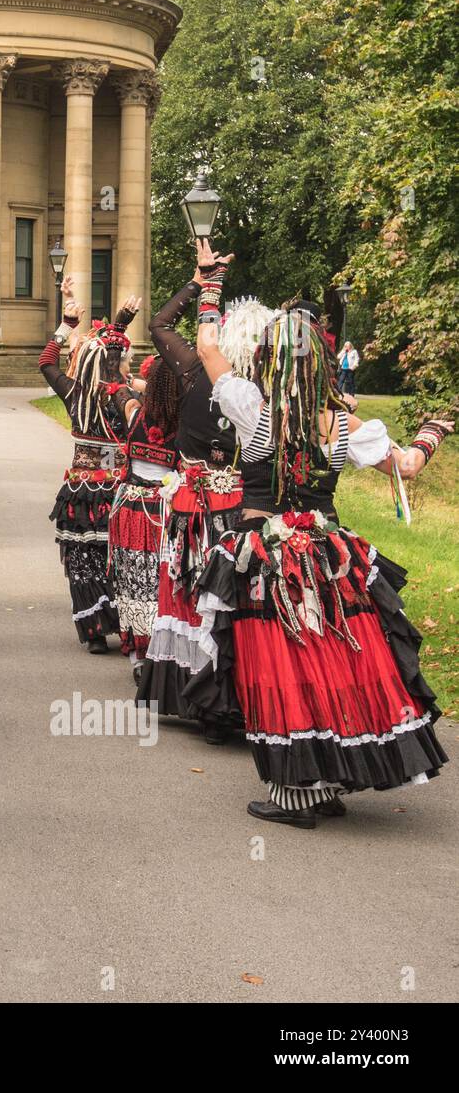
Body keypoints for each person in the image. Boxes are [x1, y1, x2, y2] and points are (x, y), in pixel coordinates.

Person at [193, 245, 451, 827]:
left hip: (269, 554)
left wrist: (210, 283)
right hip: (331, 554)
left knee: (282, 663)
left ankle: (297, 792)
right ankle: (332, 774)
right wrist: (435, 431)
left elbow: (208, 347)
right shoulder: (342, 421)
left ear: (268, 356)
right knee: (338, 655)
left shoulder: (249, 407)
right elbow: (407, 465)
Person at [136, 243, 276, 743]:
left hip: (192, 506)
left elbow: (158, 325)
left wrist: (203, 281)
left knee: (187, 593)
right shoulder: (261, 396)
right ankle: (226, 703)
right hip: (237, 509)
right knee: (225, 599)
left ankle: (191, 696)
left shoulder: (195, 370)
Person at [37, 280, 141, 653]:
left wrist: (66, 323)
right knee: (117, 555)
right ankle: (126, 623)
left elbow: (46, 361)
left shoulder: (73, 393)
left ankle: (95, 630)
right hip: (116, 486)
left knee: (84, 558)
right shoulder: (122, 396)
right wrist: (121, 324)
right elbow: (112, 367)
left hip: (81, 488)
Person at [108, 355, 177, 681]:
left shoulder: (135, 414)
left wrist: (118, 328)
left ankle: (137, 653)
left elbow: (115, 385)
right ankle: (163, 650)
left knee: (133, 580)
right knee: (163, 582)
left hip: (131, 509)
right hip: (166, 511)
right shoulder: (184, 428)